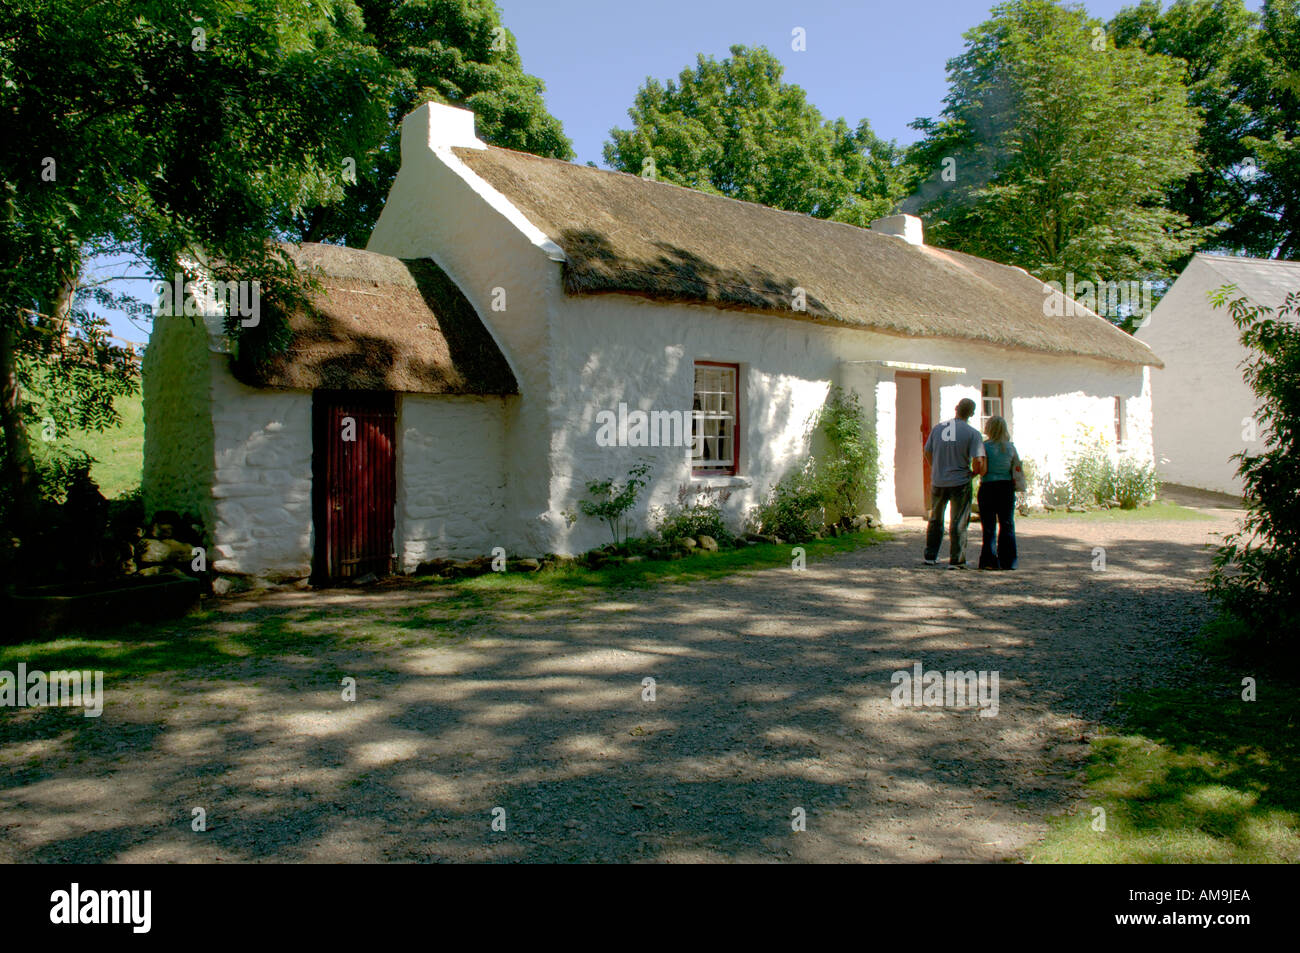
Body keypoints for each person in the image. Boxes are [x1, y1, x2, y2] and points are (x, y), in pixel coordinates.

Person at [922, 398, 986, 568]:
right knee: (958, 521)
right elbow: (979, 460)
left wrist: (936, 467)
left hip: (939, 480)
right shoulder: (972, 433)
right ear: (971, 413)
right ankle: (956, 559)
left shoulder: (938, 429)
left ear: (956, 408)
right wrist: (972, 474)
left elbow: (927, 451)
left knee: (936, 518)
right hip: (960, 481)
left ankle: (930, 555)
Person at [978, 415, 1019, 570]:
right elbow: (1015, 467)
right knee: (1007, 523)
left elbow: (982, 468)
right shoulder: (1010, 447)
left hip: (988, 486)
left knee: (989, 526)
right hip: (1006, 487)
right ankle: (1009, 561)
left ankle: (989, 560)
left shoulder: (984, 447)